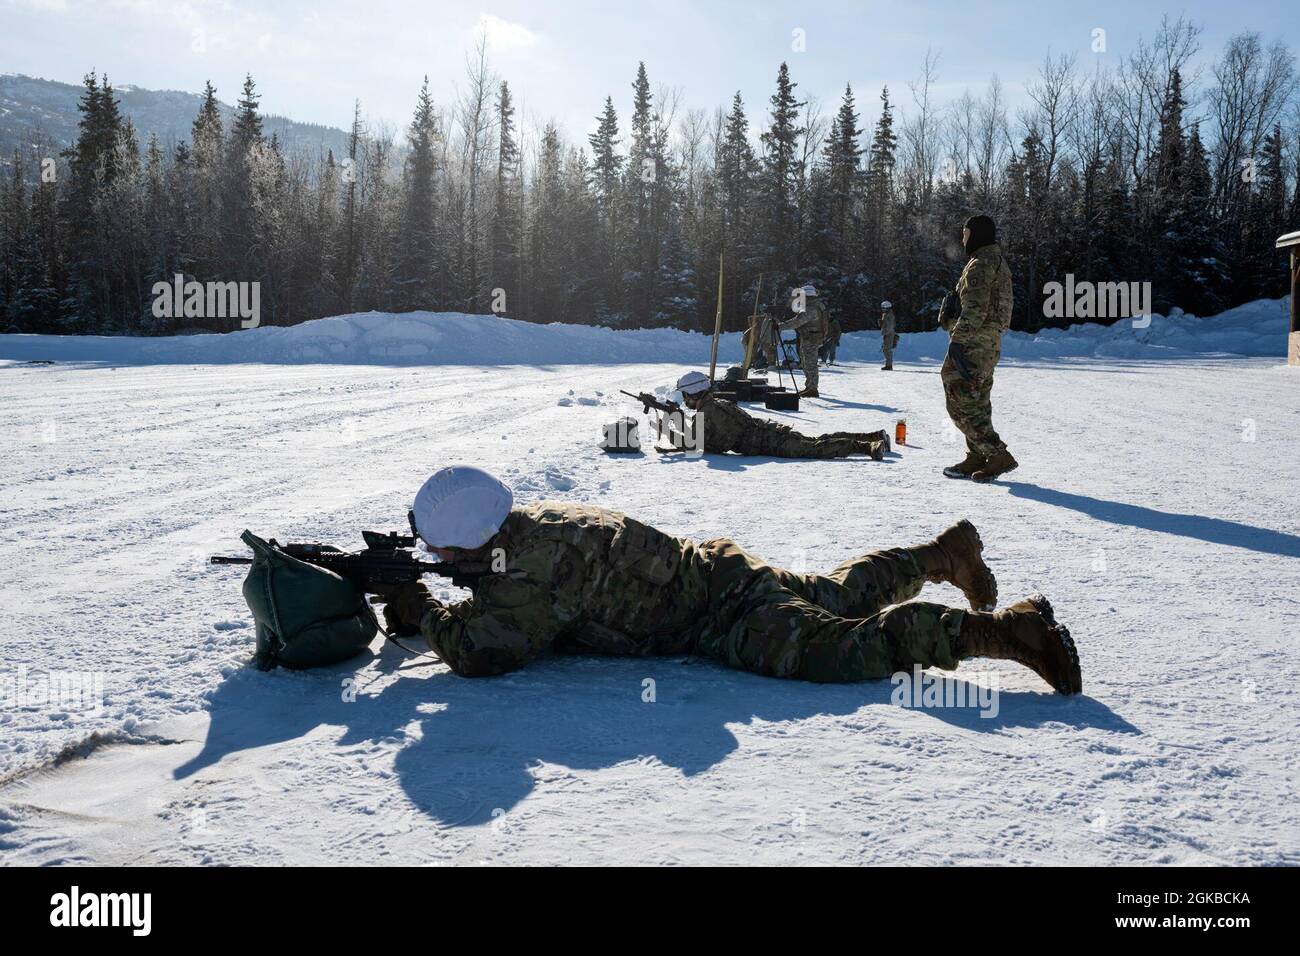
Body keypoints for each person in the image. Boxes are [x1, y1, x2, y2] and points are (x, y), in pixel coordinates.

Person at [379, 466, 1082, 693]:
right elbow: (527, 592)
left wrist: (419, 607)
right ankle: (941, 555)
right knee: (834, 595)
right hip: (720, 568)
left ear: (470, 541)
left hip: (722, 617)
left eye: (442, 552)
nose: (439, 561)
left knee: (848, 649)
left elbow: (483, 652)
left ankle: (1009, 633)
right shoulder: (533, 521)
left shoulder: (525, 575)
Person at [942, 215, 1018, 482]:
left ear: (975, 234)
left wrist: (958, 340)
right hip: (987, 343)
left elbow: (975, 309)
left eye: (965, 234)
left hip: (973, 343)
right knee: (976, 402)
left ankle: (996, 454)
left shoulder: (980, 264)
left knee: (959, 399)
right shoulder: (995, 262)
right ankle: (977, 456)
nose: (962, 239)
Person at [667, 371, 888, 459]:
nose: (685, 400)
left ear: (694, 393)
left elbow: (710, 444)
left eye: (686, 395)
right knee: (815, 440)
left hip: (769, 440)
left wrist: (669, 429)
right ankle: (872, 436)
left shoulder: (707, 413)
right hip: (769, 432)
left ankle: (866, 446)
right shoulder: (716, 405)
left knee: (814, 448)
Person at [778, 283, 827, 397]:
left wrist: (780, 326)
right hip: (810, 337)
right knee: (806, 363)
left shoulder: (811, 308)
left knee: (810, 363)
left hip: (811, 338)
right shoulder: (815, 306)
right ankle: (810, 386)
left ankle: (812, 388)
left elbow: (797, 322)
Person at [880, 300, 898, 370]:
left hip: (889, 334)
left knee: (887, 349)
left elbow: (890, 326)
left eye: (883, 308)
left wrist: (886, 333)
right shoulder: (886, 314)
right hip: (887, 333)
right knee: (886, 349)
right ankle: (888, 365)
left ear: (886, 307)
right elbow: (886, 324)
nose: (882, 309)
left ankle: (889, 365)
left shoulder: (889, 315)